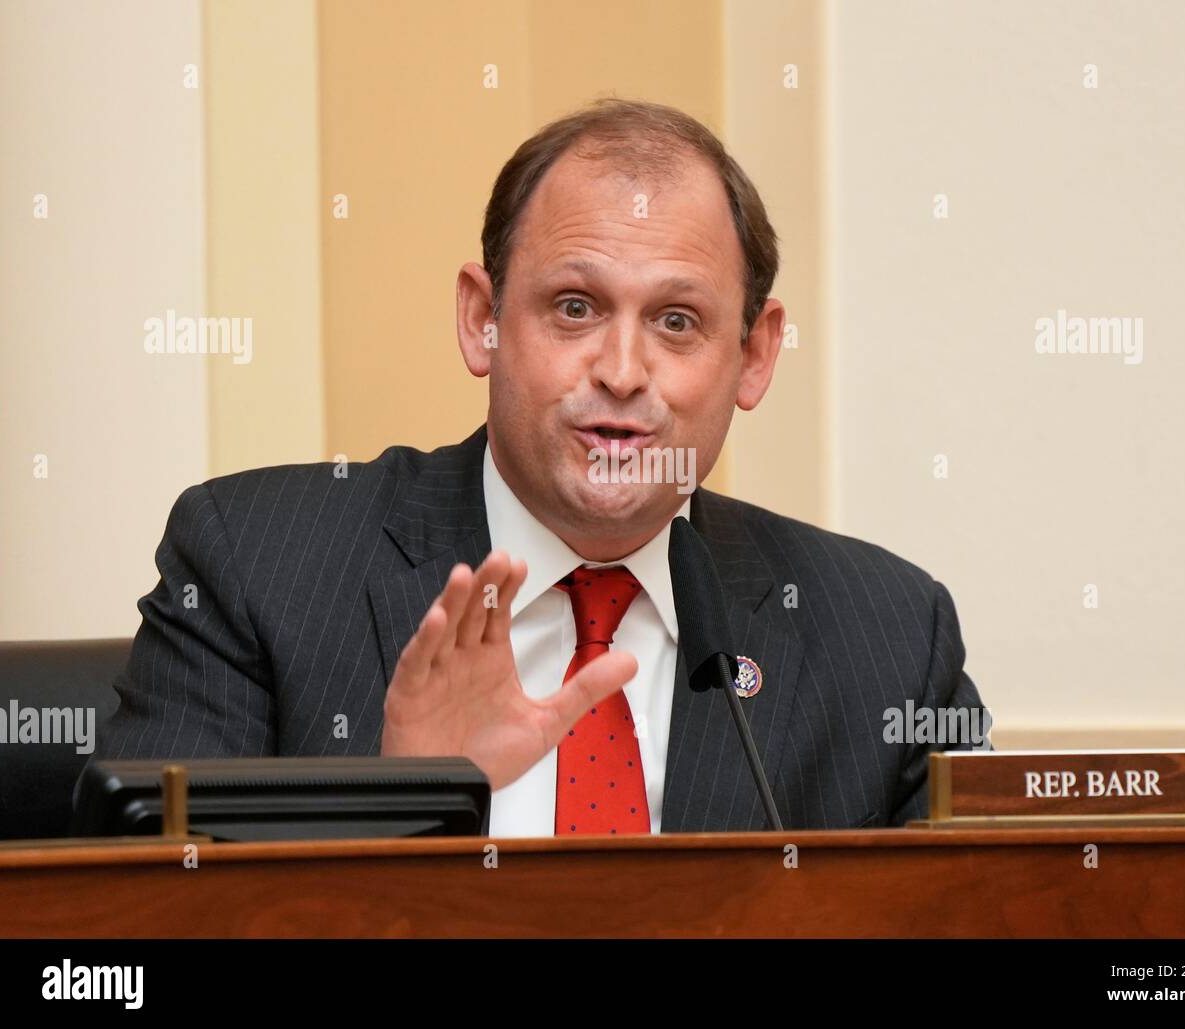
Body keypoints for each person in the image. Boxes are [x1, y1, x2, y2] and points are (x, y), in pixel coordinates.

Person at [90, 98, 988, 835]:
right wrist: (401, 810)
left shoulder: (888, 638)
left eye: (677, 321)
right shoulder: (257, 567)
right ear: (482, 319)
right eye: (574, 307)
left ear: (755, 355)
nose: (623, 372)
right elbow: (120, 951)